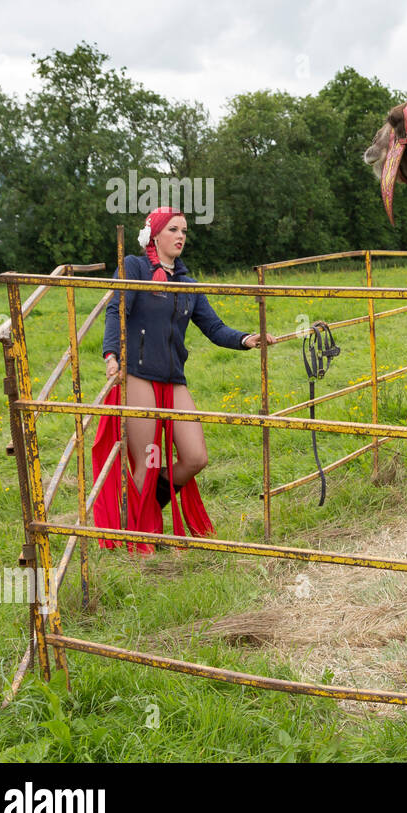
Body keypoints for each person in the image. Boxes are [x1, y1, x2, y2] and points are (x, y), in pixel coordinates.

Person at [93, 206, 276, 553]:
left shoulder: (187, 284)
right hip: (139, 376)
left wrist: (246, 339)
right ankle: (136, 538)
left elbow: (214, 328)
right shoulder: (134, 267)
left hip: (173, 378)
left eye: (184, 231)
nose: (180, 236)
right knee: (146, 463)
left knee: (195, 458)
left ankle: (144, 511)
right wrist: (111, 355)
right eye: (173, 229)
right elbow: (117, 308)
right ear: (155, 235)